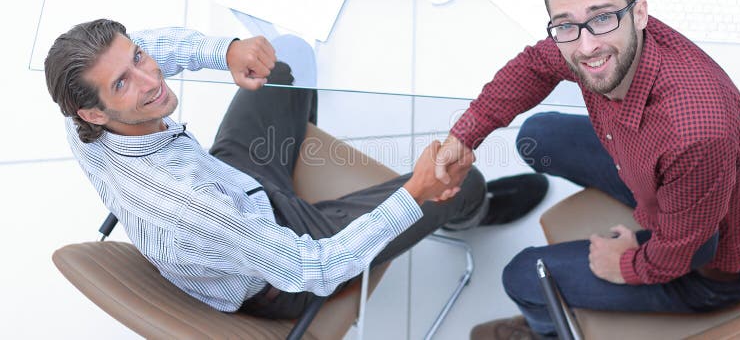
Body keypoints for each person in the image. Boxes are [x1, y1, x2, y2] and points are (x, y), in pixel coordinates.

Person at [44, 19, 548, 320]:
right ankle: (468, 212)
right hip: (280, 266)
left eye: (139, 58)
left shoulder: (82, 119)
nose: (150, 77)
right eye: (123, 84)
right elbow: (316, 269)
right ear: (92, 110)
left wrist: (223, 51)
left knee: (280, 65)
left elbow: (147, 46)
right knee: (463, 184)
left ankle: (296, 163)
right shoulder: (190, 203)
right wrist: (416, 191)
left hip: (235, 191)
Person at [430, 0, 740, 339]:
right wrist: (466, 134)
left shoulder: (695, 132)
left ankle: (546, 330)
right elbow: (534, 66)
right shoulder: (605, 36)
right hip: (675, 186)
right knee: (537, 136)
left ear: (640, 13)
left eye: (601, 20)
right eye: (565, 25)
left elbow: (683, 249)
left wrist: (626, 264)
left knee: (522, 278)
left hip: (711, 264)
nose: (586, 47)